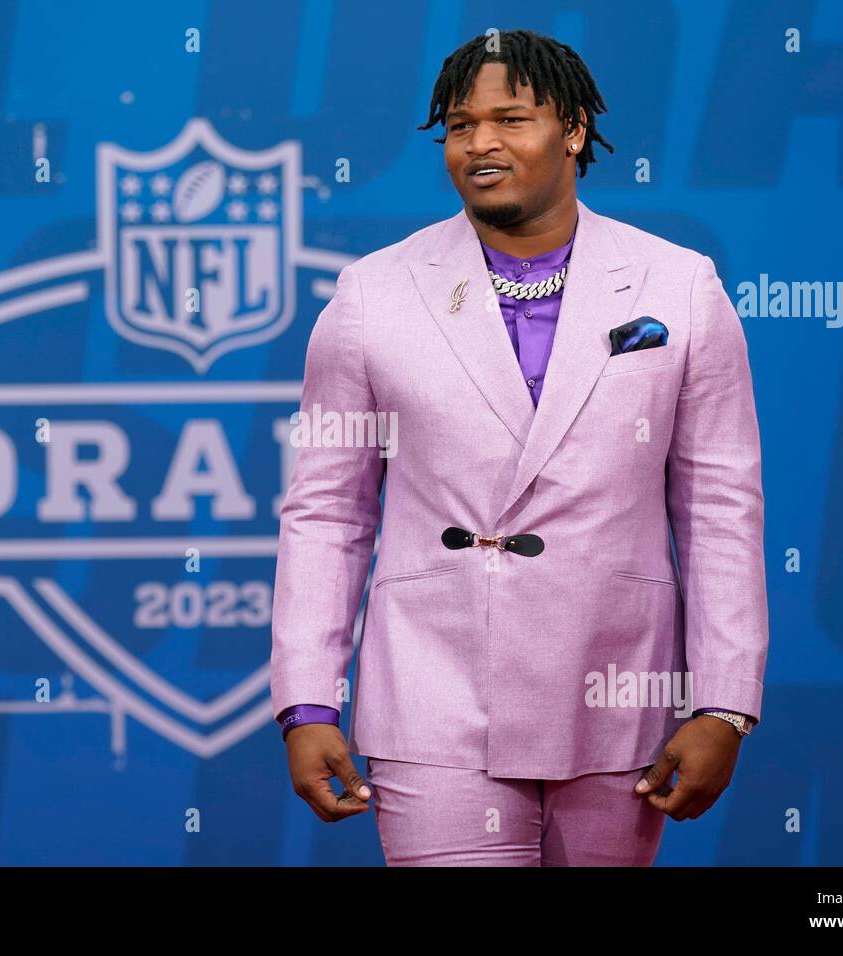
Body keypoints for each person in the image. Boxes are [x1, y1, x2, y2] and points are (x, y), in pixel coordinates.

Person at [270, 28, 768, 866]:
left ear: (573, 130)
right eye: (461, 125)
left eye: (511, 118)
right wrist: (308, 703)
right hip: (434, 696)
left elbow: (722, 509)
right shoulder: (372, 294)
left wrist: (724, 705)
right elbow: (326, 513)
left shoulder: (679, 285)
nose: (481, 144)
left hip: (621, 691)